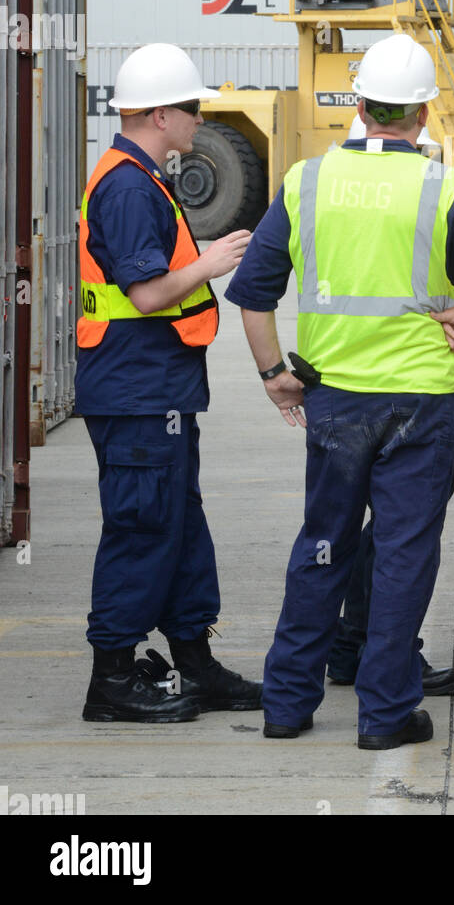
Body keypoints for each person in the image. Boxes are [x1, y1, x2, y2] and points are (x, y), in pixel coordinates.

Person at [224, 33, 454, 746]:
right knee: (402, 555)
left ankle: (285, 706)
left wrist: (276, 376)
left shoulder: (305, 183)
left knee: (323, 546)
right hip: (420, 404)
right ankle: (385, 714)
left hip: (335, 402)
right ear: (423, 115)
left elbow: (251, 294)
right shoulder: (441, 187)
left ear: (359, 104)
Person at [76, 43, 262, 723]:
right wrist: (211, 264)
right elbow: (149, 294)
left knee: (179, 525)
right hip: (134, 392)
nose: (198, 119)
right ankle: (113, 678)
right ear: (159, 114)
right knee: (142, 527)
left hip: (158, 392)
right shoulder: (128, 186)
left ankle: (194, 661)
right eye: (192, 108)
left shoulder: (141, 176)